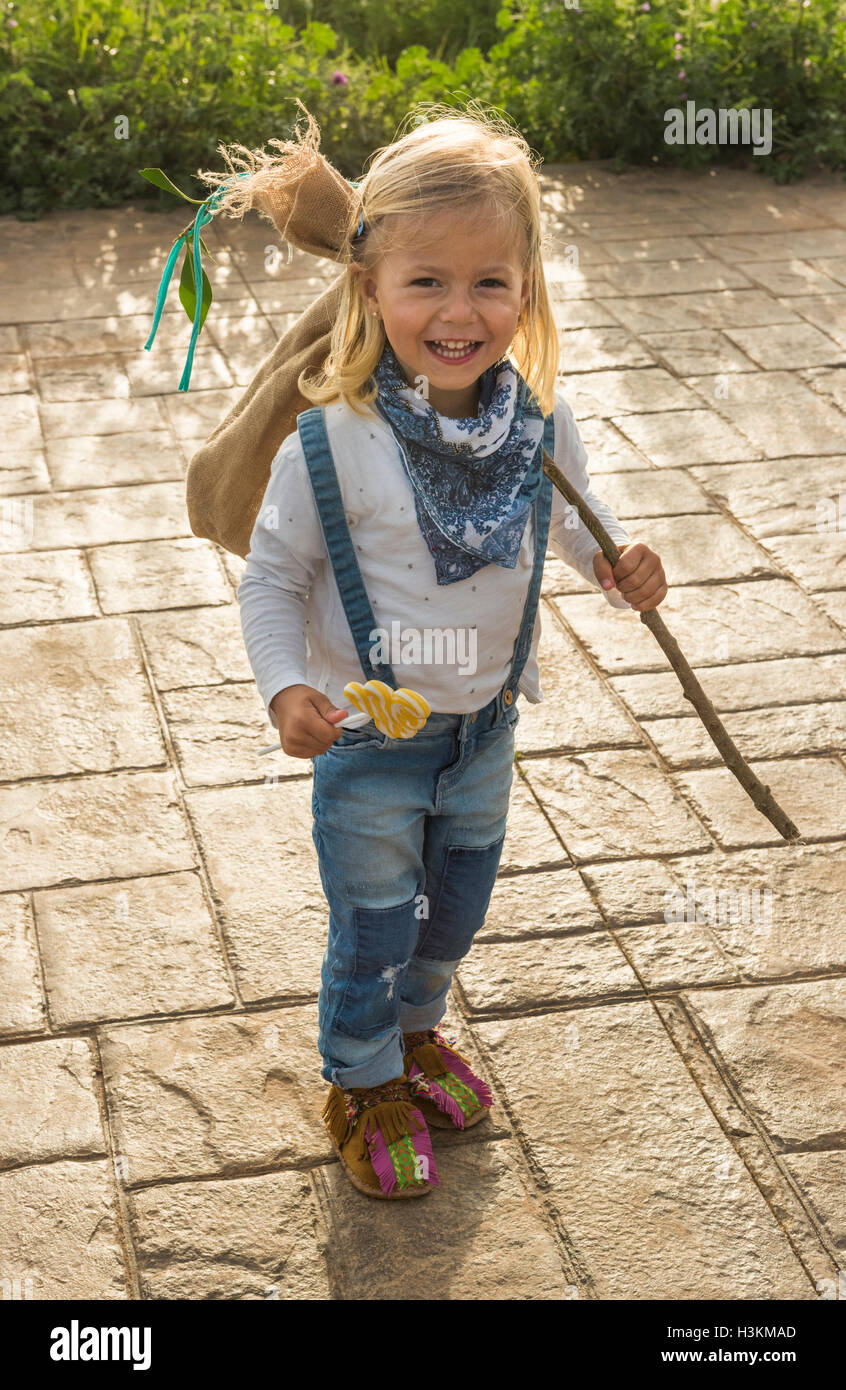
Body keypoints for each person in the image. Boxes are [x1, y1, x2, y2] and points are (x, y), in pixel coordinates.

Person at [237, 105, 668, 1199]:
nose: (460, 311)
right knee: (378, 923)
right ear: (371, 286)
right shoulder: (332, 438)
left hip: (484, 732)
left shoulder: (539, 428)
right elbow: (275, 578)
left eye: (491, 281)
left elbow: (575, 527)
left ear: (527, 289)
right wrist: (287, 683)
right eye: (427, 281)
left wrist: (618, 563)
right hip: (374, 743)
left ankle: (416, 1032)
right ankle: (362, 1075)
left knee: (455, 906)